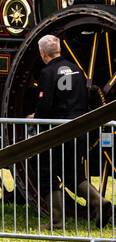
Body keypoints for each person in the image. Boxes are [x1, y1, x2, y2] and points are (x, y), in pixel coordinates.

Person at [33, 34, 102, 219]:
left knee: (47, 175)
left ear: (42, 53)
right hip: (78, 129)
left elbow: (45, 105)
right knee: (72, 175)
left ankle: (56, 221)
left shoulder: (47, 73)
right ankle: (100, 203)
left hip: (58, 132)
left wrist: (34, 122)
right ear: (59, 50)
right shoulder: (77, 70)